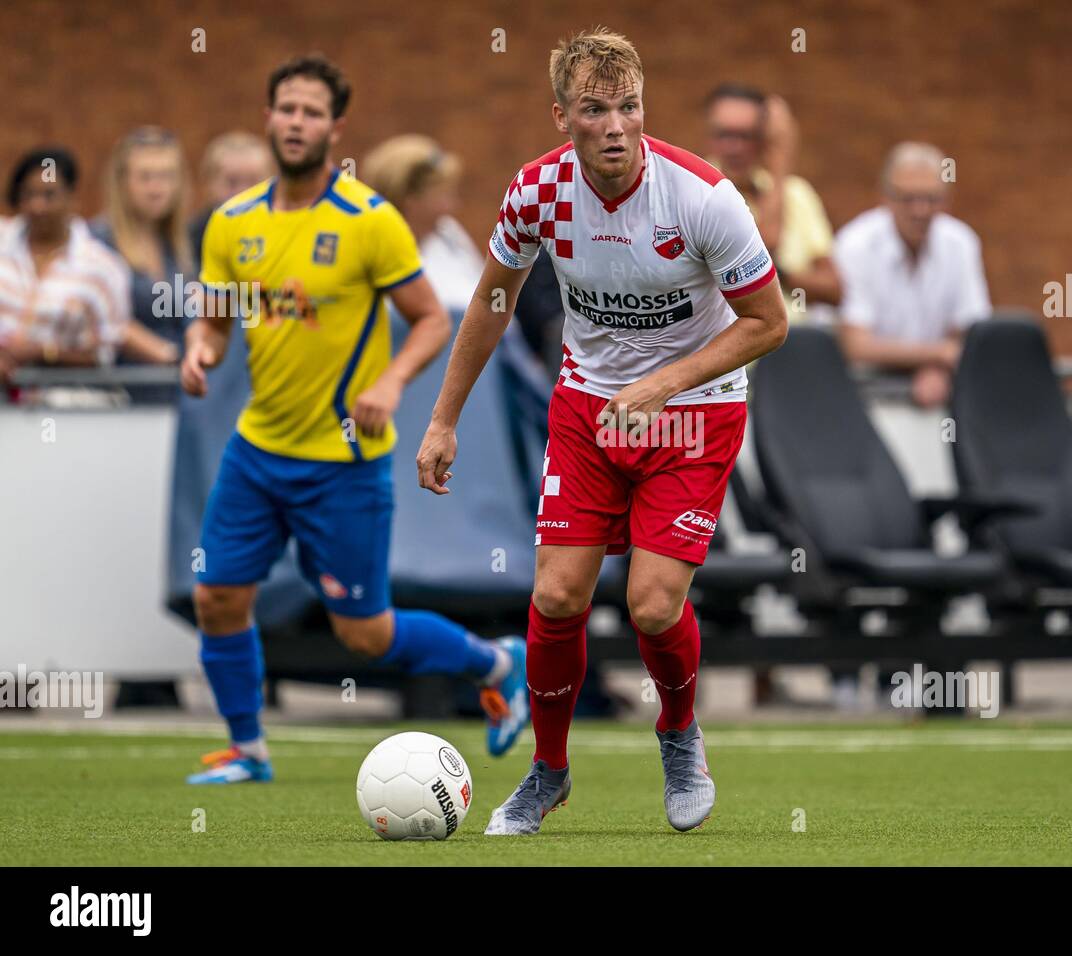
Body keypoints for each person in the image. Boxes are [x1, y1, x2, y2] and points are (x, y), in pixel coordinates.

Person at [416, 28, 788, 834]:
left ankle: (680, 735)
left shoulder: (701, 197)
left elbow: (769, 322)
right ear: (562, 116)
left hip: (696, 411)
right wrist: (444, 418)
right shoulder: (537, 194)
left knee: (652, 606)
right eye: (594, 109)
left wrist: (663, 382)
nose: (615, 125)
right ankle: (548, 771)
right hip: (588, 410)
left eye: (629, 106)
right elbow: (491, 302)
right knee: (554, 593)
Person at [179, 54, 529, 784]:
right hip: (257, 451)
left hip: (345, 460)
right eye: (286, 108)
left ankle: (498, 663)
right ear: (268, 117)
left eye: (312, 112)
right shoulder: (230, 224)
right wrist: (200, 351)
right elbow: (213, 322)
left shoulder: (370, 221)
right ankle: (248, 750)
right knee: (216, 594)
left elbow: (433, 320)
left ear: (335, 128)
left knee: (364, 633)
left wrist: (392, 382)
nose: (296, 122)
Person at [833, 141, 991, 408]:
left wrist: (938, 368)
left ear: (947, 199)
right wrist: (939, 356)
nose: (920, 211)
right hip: (862, 400)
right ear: (885, 197)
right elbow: (856, 346)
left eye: (931, 199)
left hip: (940, 396)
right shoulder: (855, 244)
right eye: (908, 199)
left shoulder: (962, 242)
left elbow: (970, 333)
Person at [0, 146, 173, 383]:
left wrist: (45, 352)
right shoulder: (3, 242)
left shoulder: (100, 267)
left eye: (49, 195)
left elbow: (106, 350)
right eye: (29, 195)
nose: (37, 206)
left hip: (61, 403)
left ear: (72, 198)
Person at [704, 84, 840, 322]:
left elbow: (833, 288)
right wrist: (781, 159)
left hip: (794, 344)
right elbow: (762, 248)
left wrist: (782, 275)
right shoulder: (698, 191)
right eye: (724, 134)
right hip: (734, 347)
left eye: (745, 136)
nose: (733, 147)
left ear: (763, 139)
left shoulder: (796, 194)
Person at [92, 127, 194, 352]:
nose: (156, 189)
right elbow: (102, 320)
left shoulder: (183, 243)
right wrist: (165, 354)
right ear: (122, 182)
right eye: (145, 177)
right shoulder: (98, 241)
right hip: (124, 379)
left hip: (180, 378)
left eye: (166, 176)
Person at [362, 134, 482, 314]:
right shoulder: (370, 256)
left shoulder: (449, 233)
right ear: (409, 197)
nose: (453, 206)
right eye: (444, 195)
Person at [188, 131, 274, 264]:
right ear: (208, 184)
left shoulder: (284, 235)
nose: (243, 193)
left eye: (254, 182)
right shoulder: (188, 243)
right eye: (232, 182)